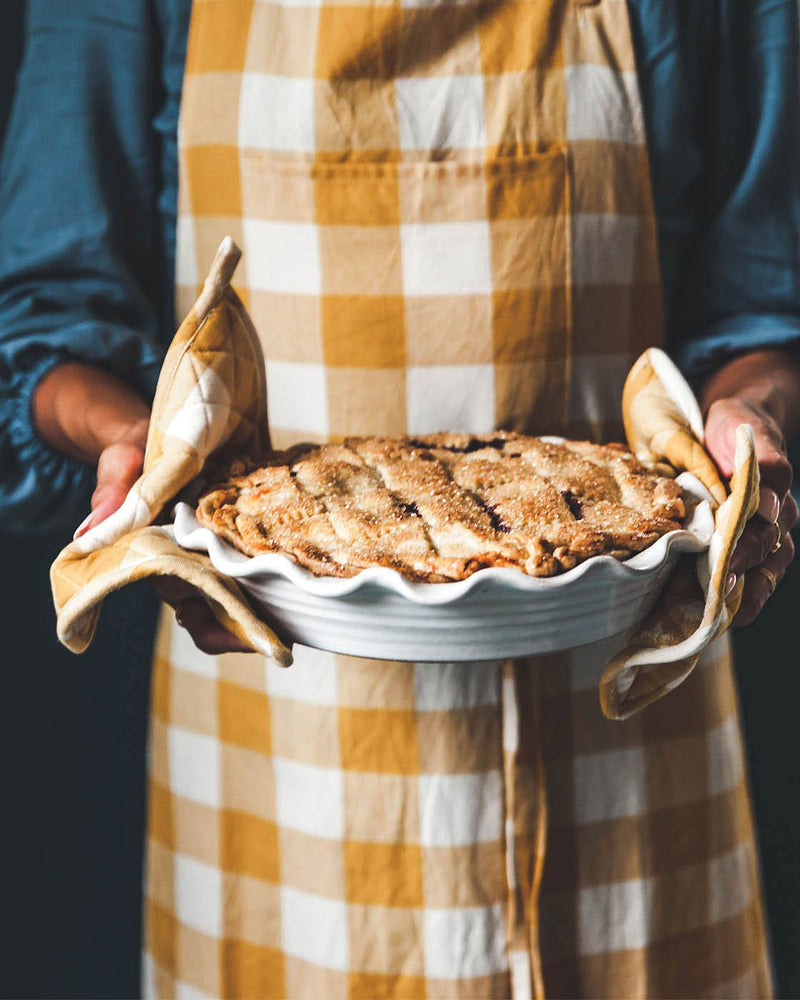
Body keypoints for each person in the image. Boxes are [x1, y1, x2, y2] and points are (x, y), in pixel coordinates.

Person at [1, 0, 799, 996]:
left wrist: (747, 415)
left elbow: (757, 301)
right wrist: (136, 447)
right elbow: (49, 317)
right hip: (270, 730)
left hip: (628, 731)